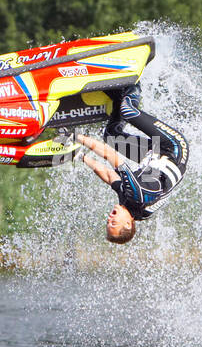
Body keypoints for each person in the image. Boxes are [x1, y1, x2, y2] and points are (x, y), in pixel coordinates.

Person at [74, 84, 189, 244]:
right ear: (128, 223)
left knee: (112, 136)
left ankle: (116, 94)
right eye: (113, 223)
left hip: (152, 153)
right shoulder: (138, 196)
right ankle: (134, 83)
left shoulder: (130, 205)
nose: (109, 218)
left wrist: (79, 156)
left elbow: (108, 175)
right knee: (128, 111)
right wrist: (76, 137)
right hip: (173, 148)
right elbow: (111, 156)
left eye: (108, 223)